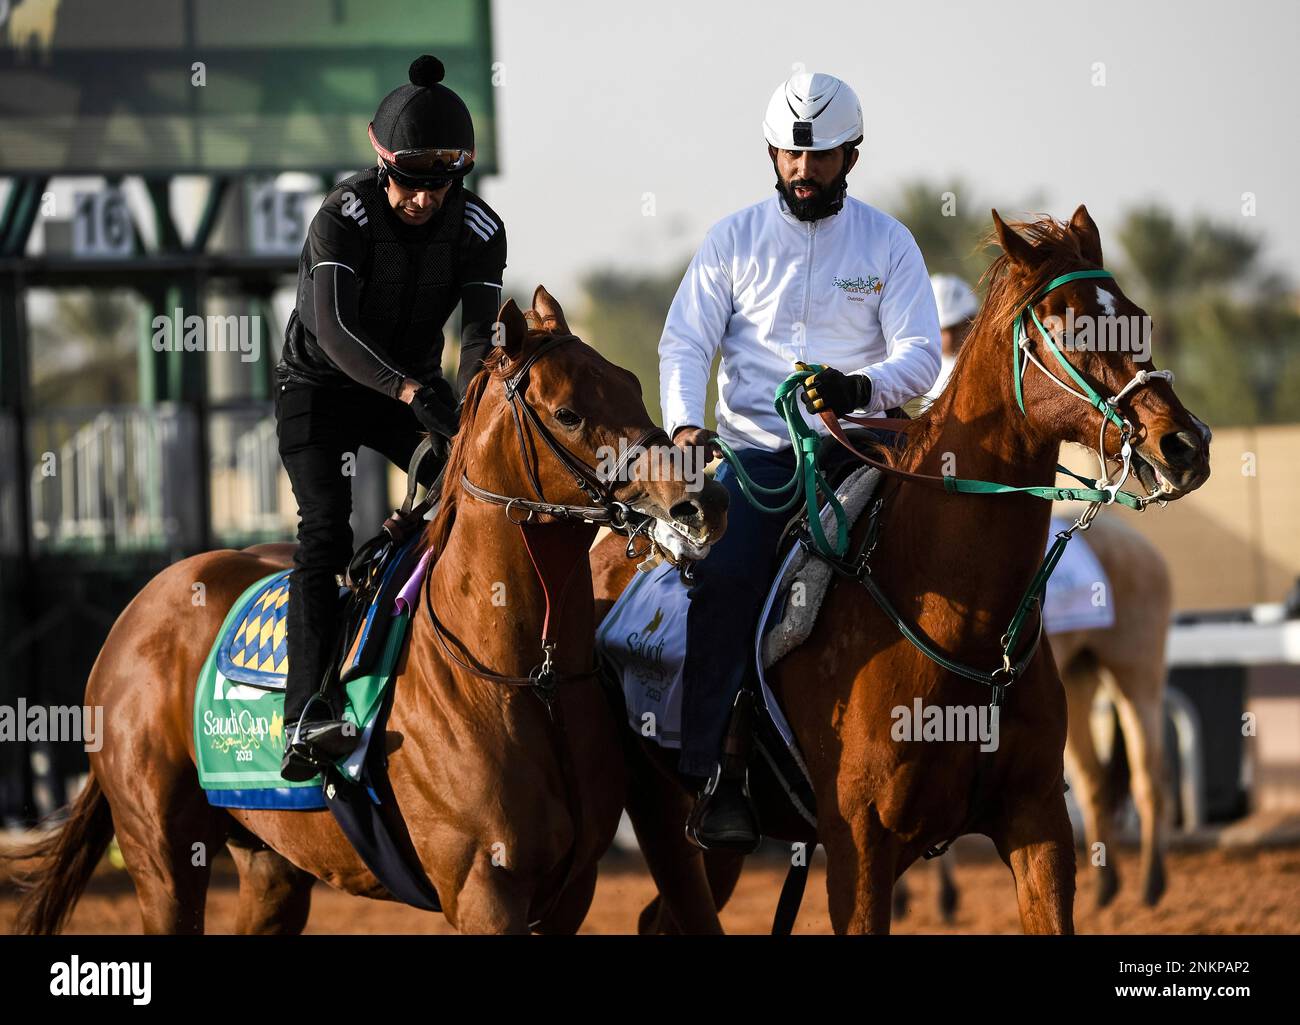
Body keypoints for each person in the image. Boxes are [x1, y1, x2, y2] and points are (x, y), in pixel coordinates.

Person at [659, 71, 941, 849]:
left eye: (818, 157)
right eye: (790, 155)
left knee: (958, 546)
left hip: (865, 446)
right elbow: (686, 342)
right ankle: (719, 770)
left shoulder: (888, 241)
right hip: (757, 459)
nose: (803, 170)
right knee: (726, 578)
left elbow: (923, 354)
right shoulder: (732, 239)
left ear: (851, 156)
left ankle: (999, 736)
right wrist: (686, 429)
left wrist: (863, 384)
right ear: (772, 154)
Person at [275, 55, 506, 782]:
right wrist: (412, 393)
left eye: (438, 186)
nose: (421, 201)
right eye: (408, 184)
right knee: (324, 529)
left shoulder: (478, 227)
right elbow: (335, 328)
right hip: (319, 387)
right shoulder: (339, 218)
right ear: (382, 167)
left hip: (404, 391)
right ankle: (305, 711)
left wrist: (464, 414)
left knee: (463, 486)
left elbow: (477, 337)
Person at [924, 273, 979, 400]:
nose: (948, 339)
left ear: (973, 320)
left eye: (954, 328)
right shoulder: (928, 373)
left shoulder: (993, 364)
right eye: (940, 331)